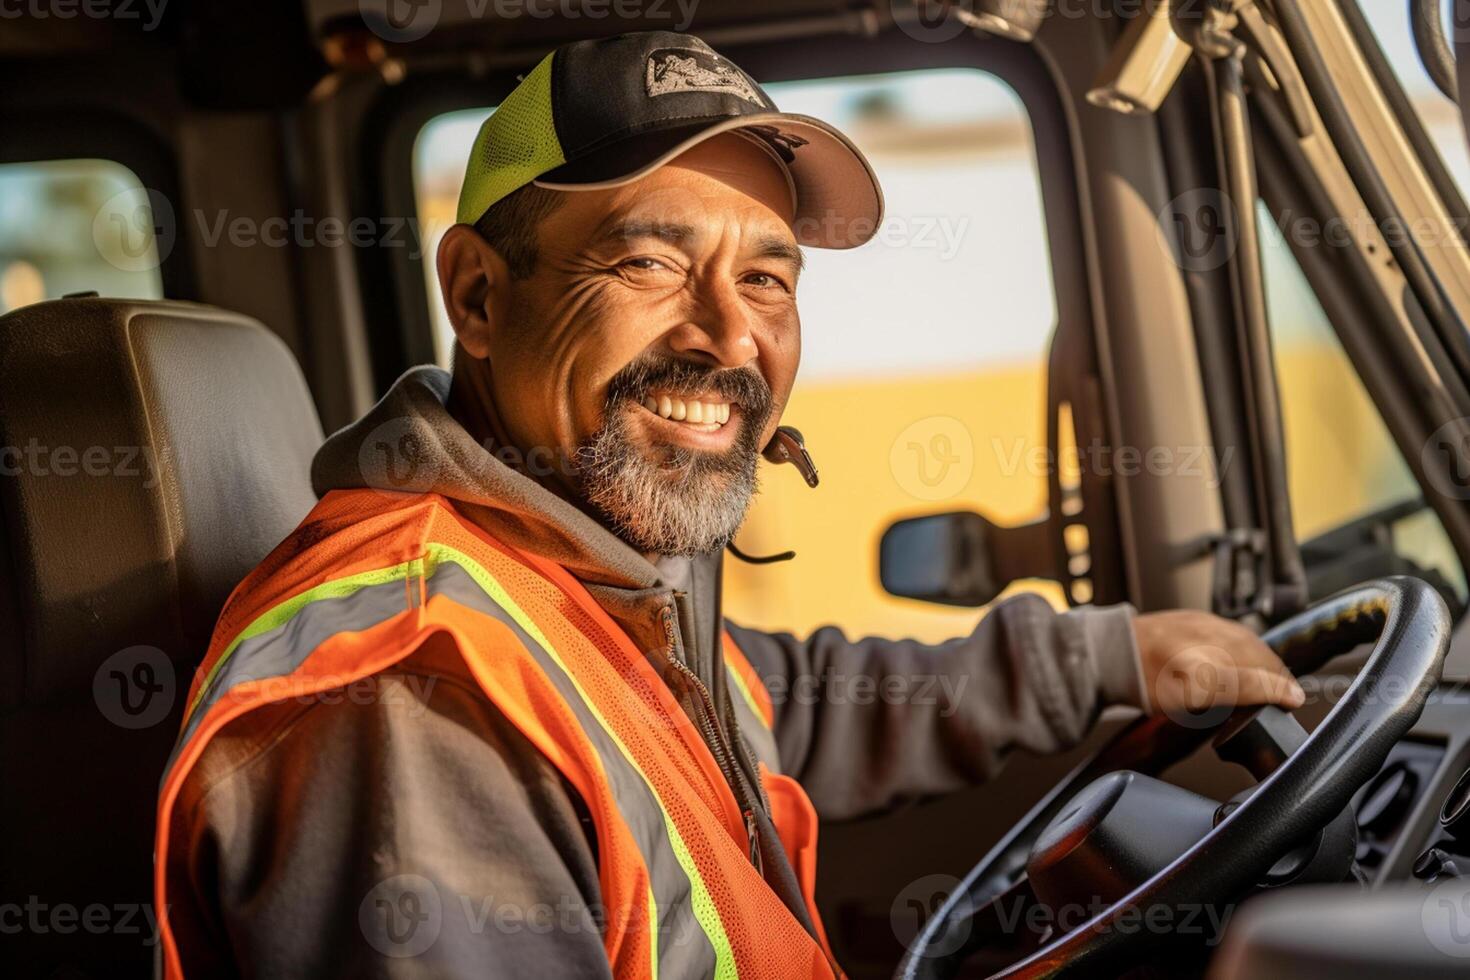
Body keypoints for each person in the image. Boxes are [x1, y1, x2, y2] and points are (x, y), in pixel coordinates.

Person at [153, 30, 1304, 978]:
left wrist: (1106, 656)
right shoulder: (417, 690)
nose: (728, 335)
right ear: (478, 296)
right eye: (648, 264)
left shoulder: (593, 565)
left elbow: (768, 704)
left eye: (765, 276)